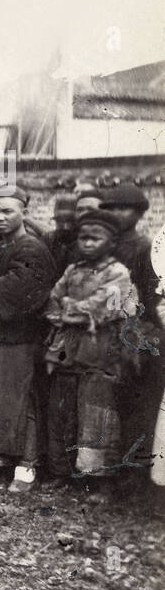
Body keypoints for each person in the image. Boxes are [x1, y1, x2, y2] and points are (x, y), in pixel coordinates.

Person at [0, 186, 57, 494]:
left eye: (7, 211)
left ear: (24, 214)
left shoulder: (31, 248)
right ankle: (4, 454)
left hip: (21, 335)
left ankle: (28, 463)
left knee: (21, 398)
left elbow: (22, 291)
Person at [43, 210, 137, 492]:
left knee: (97, 415)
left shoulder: (118, 273)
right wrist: (71, 311)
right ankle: (63, 471)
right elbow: (52, 300)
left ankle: (99, 480)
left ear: (112, 242)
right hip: (66, 351)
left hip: (100, 352)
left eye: (96, 238)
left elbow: (102, 307)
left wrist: (71, 309)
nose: (87, 243)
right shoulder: (73, 269)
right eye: (83, 237)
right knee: (63, 411)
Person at [99, 184, 162, 474]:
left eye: (122, 208)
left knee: (137, 408)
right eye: (108, 208)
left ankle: (132, 476)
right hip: (105, 330)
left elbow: (150, 296)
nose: (114, 214)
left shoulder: (143, 248)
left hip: (136, 334)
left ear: (138, 214)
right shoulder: (103, 245)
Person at [43, 193, 79, 274]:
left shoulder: (84, 243)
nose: (66, 227)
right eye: (60, 222)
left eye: (71, 221)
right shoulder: (48, 240)